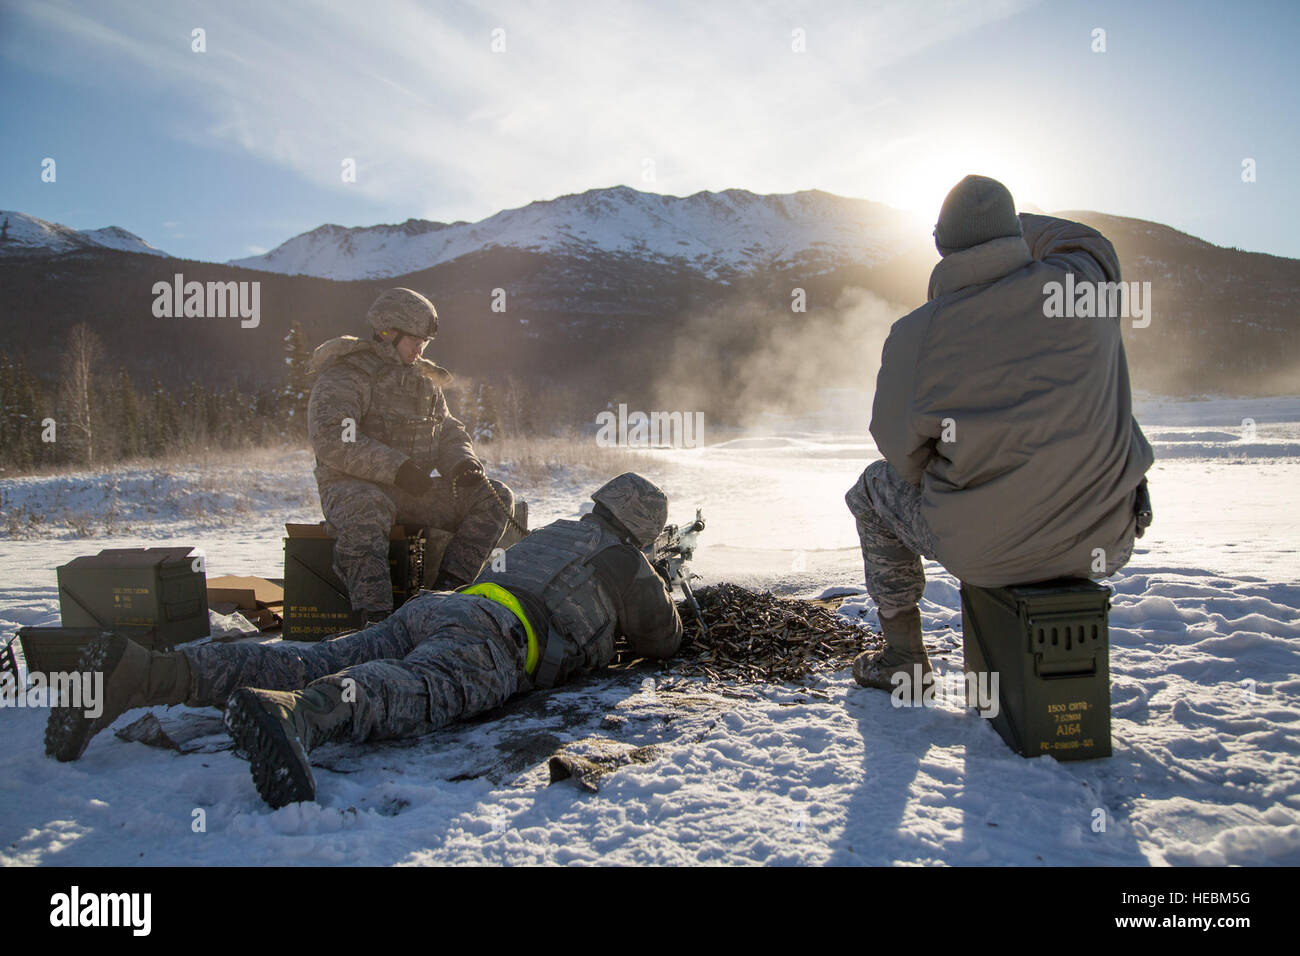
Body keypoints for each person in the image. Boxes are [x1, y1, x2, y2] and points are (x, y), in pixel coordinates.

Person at [45, 473, 684, 809]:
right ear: (644, 531)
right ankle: (300, 716)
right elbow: (663, 641)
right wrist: (663, 581)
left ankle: (144, 674)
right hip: (495, 638)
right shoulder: (628, 564)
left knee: (308, 657)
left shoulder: (555, 530)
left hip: (437, 610)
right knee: (418, 690)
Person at [847, 174, 1154, 691]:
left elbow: (900, 456)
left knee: (870, 492)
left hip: (985, 554)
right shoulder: (1084, 281)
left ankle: (903, 658)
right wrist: (1007, 230)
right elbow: (1082, 237)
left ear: (941, 245)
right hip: (1109, 535)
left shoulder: (916, 334)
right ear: (1016, 233)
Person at [307, 286, 514, 622]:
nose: (420, 348)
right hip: (351, 490)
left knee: (495, 497)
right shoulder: (347, 375)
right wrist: (398, 468)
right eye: (413, 339)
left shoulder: (424, 381)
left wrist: (462, 462)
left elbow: (447, 429)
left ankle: (446, 597)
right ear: (387, 333)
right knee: (367, 506)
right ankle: (373, 619)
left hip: (410, 491)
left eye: (424, 342)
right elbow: (332, 438)